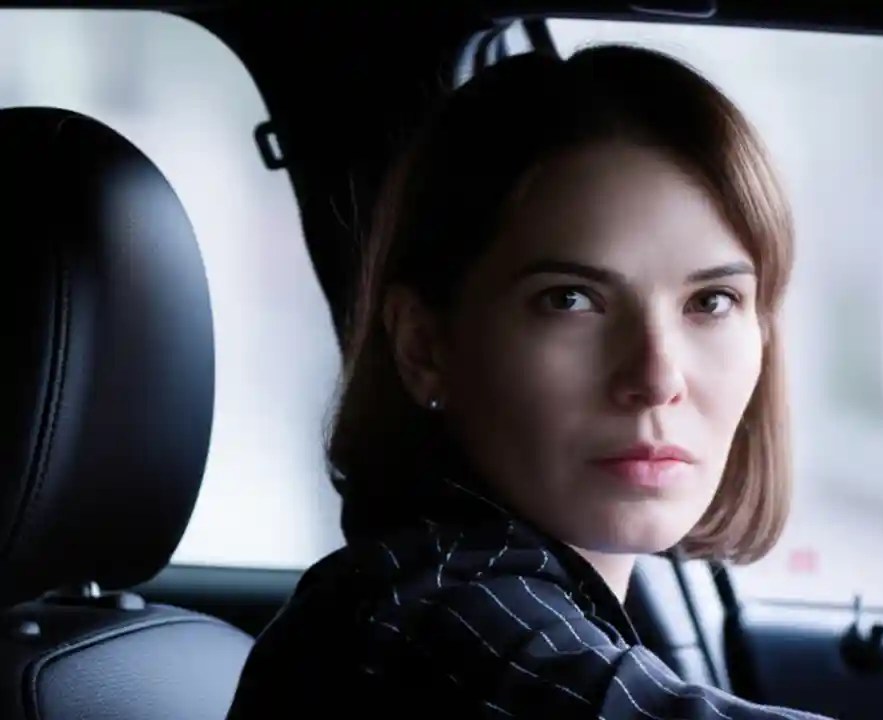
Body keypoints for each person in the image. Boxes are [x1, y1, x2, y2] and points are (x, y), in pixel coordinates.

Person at [226, 43, 831, 719]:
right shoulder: (430, 624)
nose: (657, 377)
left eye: (711, 302)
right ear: (425, 345)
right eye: (570, 300)